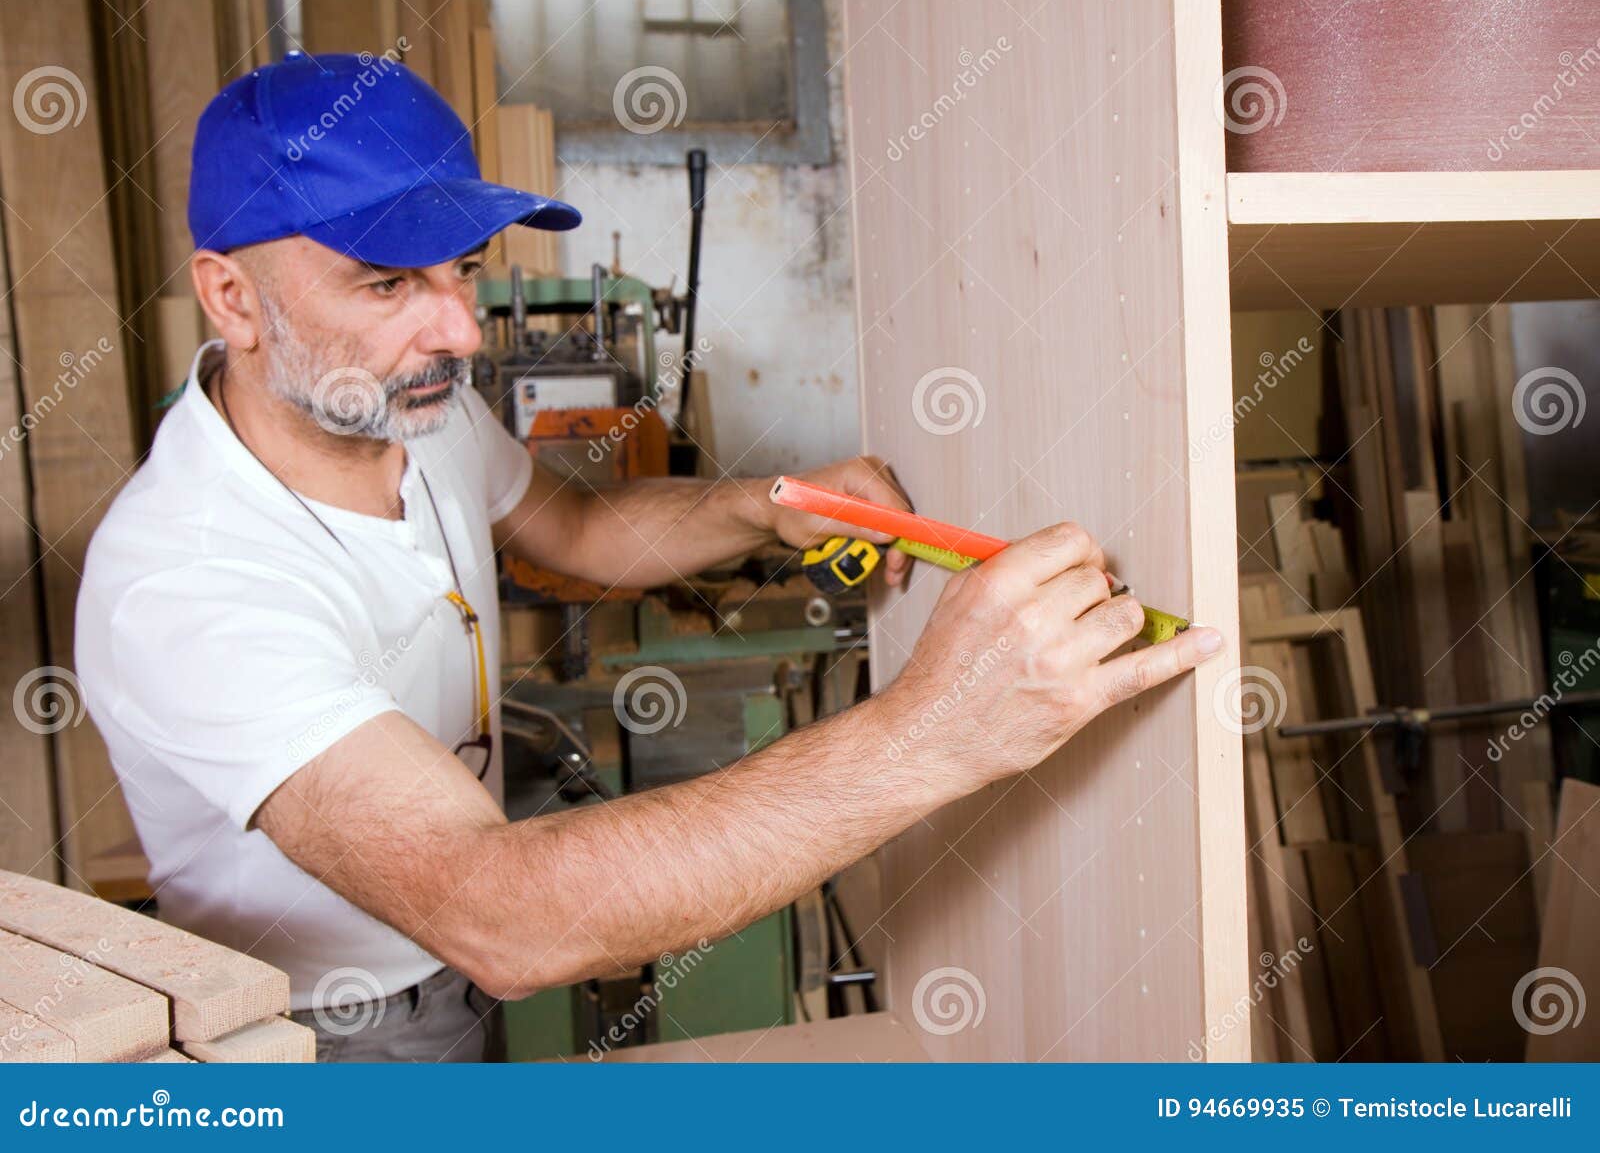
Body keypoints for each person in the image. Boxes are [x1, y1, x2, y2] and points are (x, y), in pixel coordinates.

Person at [74, 52, 1223, 1062]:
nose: (462, 333)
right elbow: (506, 918)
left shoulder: (400, 406)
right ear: (233, 297)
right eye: (387, 284)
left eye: (462, 269)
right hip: (322, 1034)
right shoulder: (186, 577)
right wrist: (937, 727)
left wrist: (770, 507)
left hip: (448, 982)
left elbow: (572, 530)